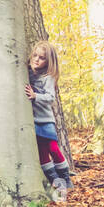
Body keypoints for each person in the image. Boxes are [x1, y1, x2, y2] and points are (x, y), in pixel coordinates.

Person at [24, 39, 72, 195]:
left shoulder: (48, 77)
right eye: (35, 56)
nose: (36, 59)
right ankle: (54, 180)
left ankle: (65, 178)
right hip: (33, 121)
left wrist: (35, 95)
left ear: (48, 62)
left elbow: (50, 97)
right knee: (42, 151)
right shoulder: (27, 73)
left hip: (45, 120)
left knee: (53, 148)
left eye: (42, 58)